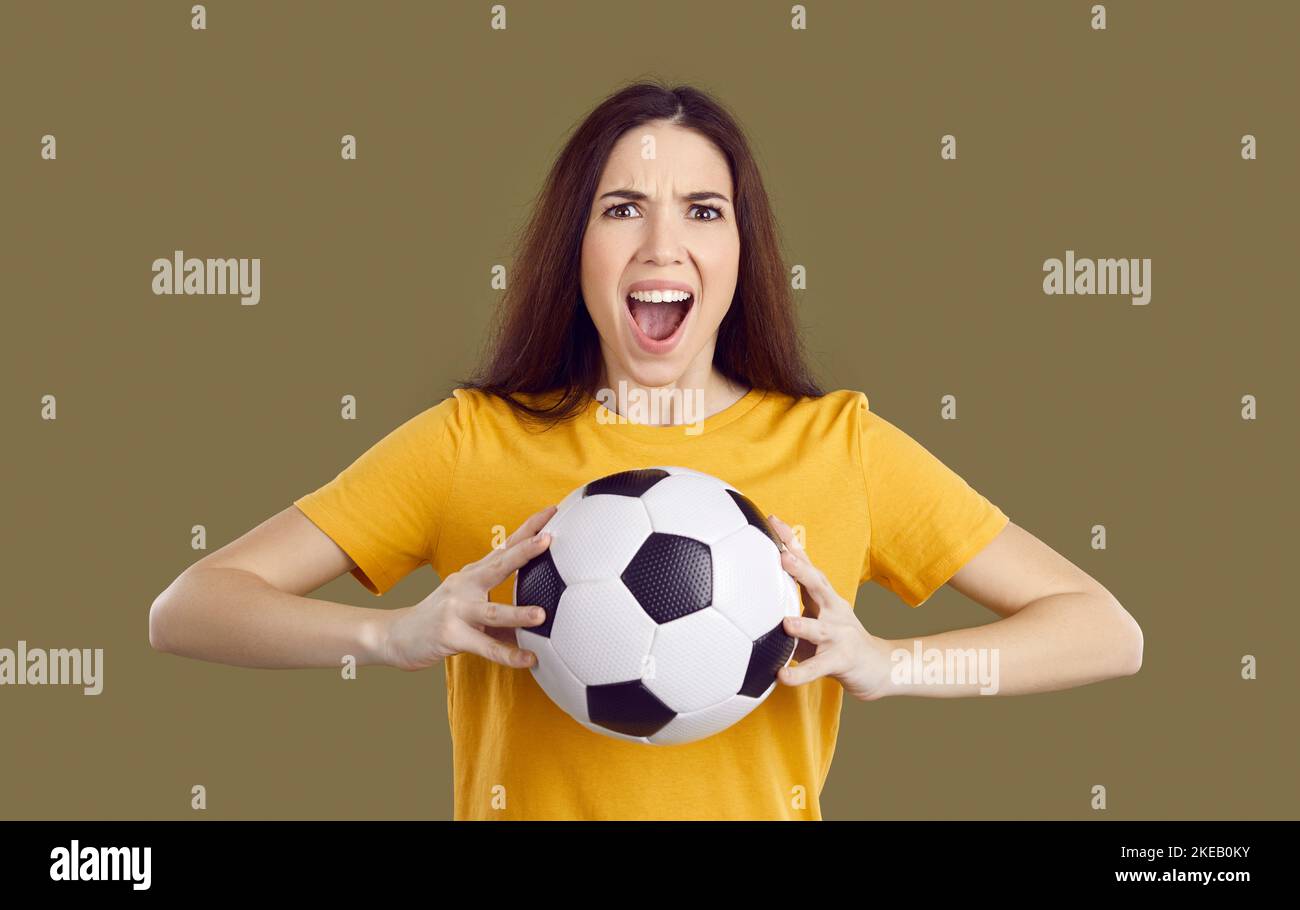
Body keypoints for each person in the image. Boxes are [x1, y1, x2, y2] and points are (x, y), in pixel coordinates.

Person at [149, 81, 1143, 820]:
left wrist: (890, 665)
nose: (662, 248)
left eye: (702, 212)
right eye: (622, 208)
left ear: (739, 251)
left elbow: (1104, 630)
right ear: (570, 245)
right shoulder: (472, 440)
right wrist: (389, 635)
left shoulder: (839, 446)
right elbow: (187, 607)